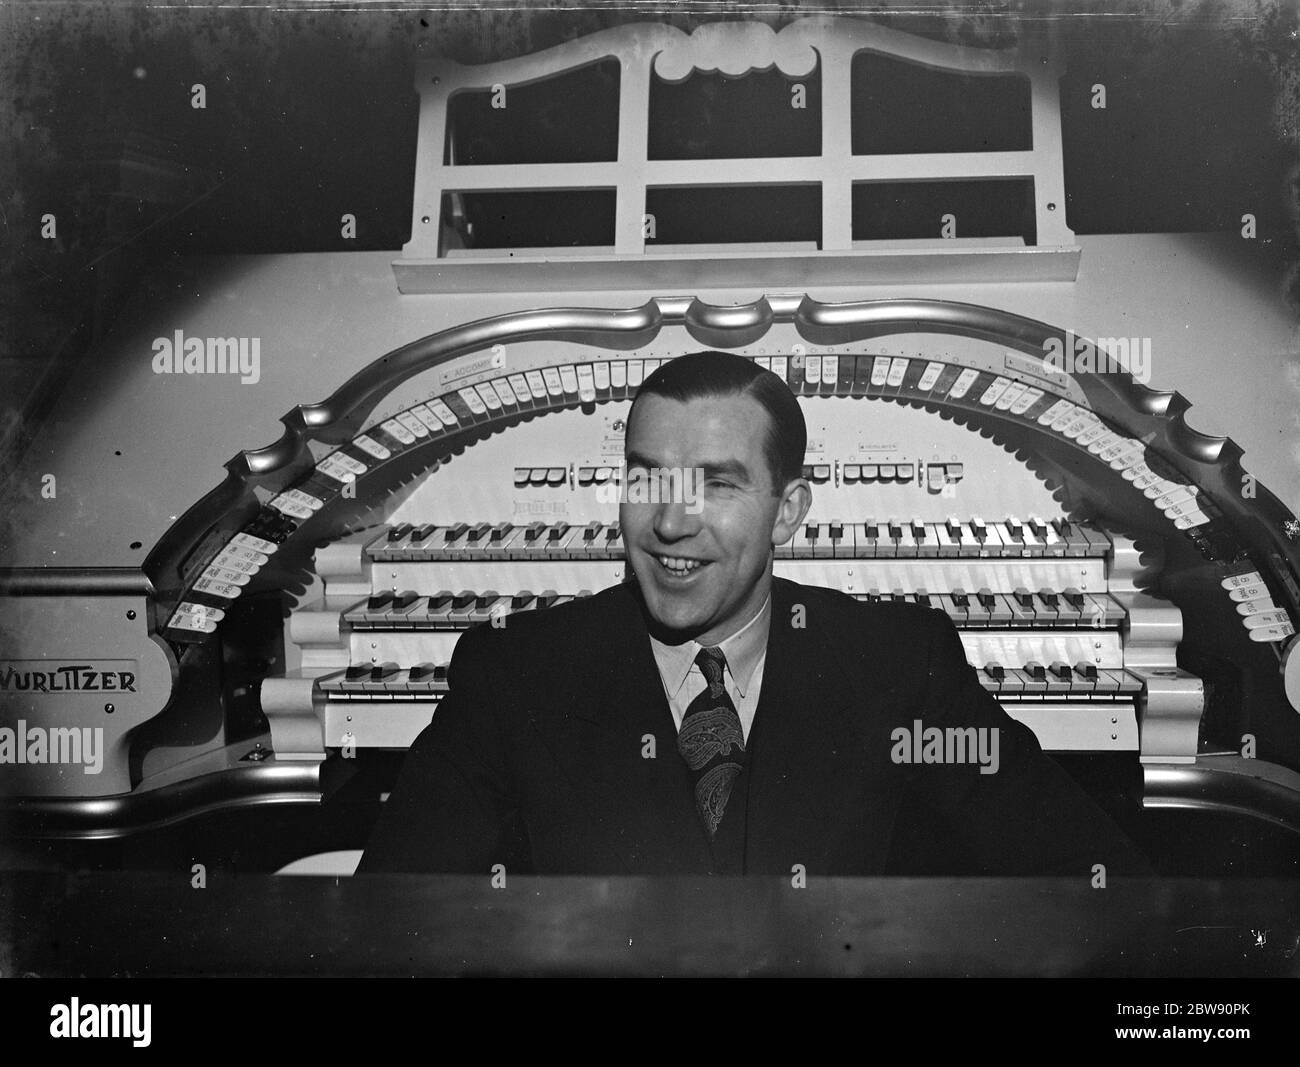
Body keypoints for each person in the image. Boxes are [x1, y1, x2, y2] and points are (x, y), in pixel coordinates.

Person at [359, 352, 1150, 876]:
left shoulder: (901, 667)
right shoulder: (514, 676)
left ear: (788, 510)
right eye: (648, 479)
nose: (671, 522)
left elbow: (1088, 872)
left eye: (719, 484)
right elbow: (386, 926)